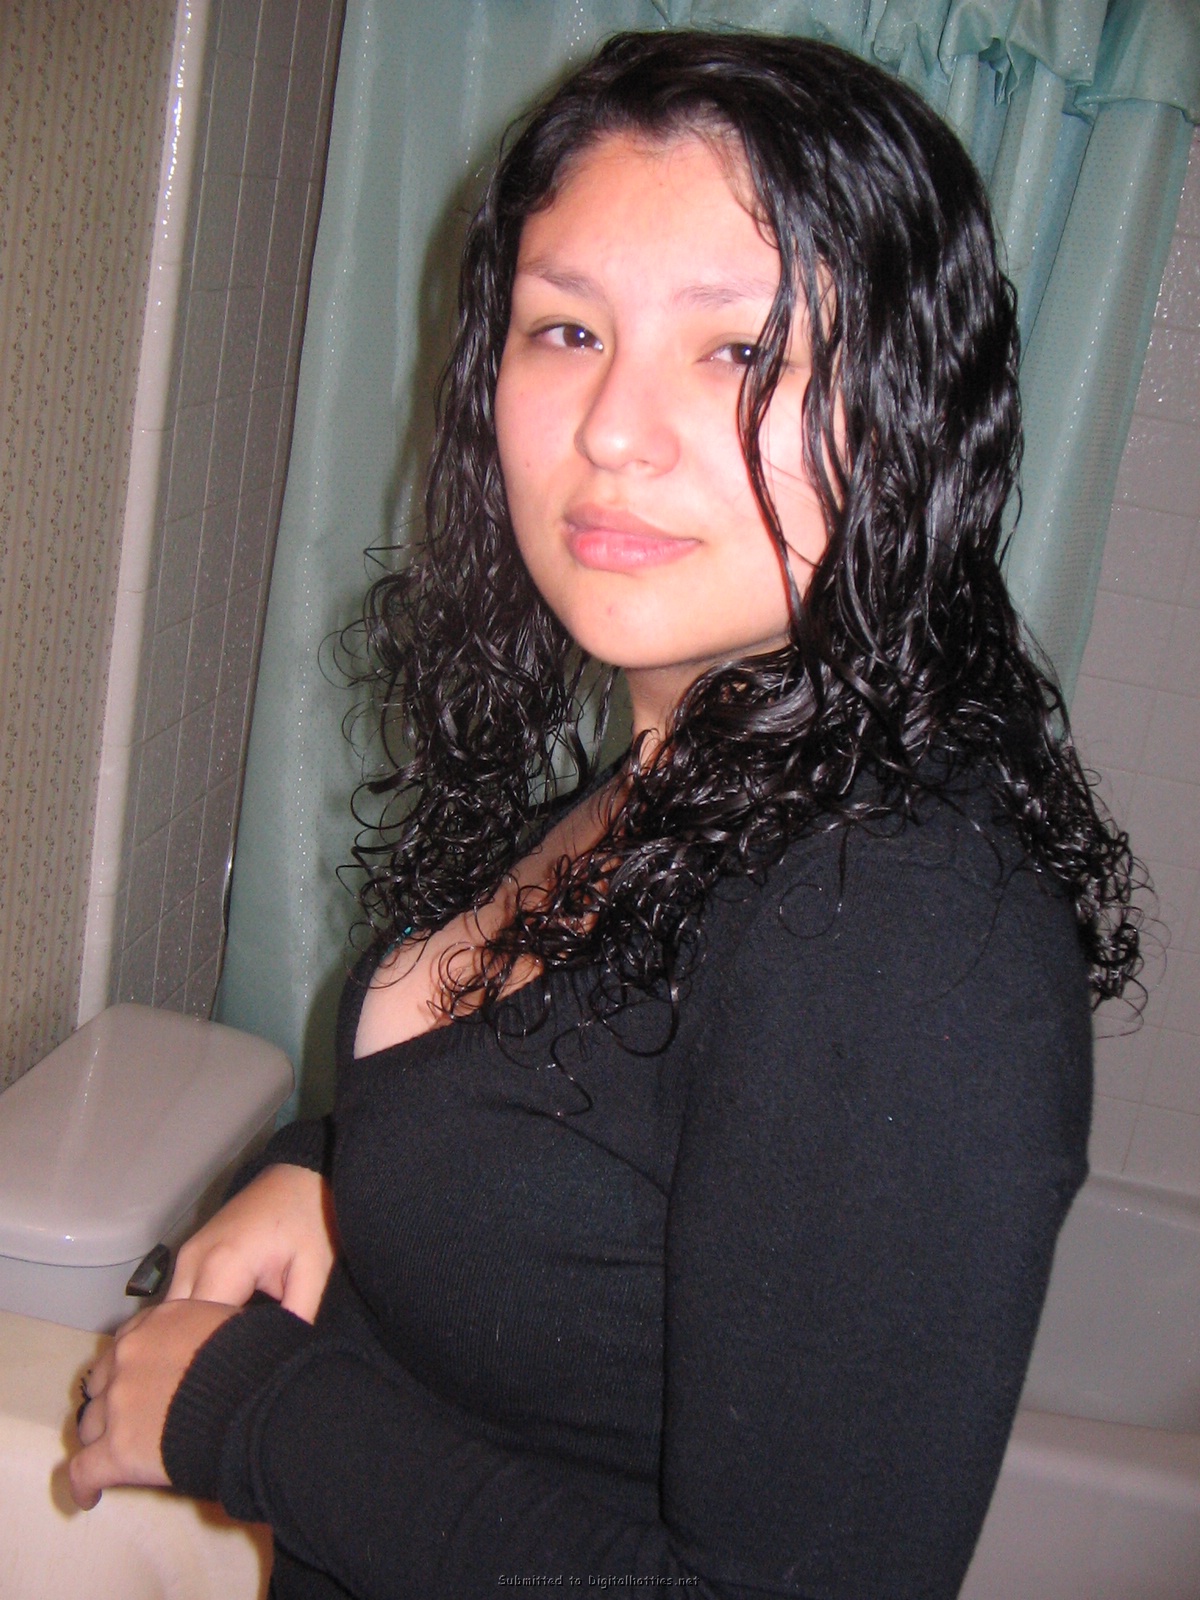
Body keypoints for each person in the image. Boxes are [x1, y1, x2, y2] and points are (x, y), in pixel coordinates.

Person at [68, 30, 1140, 1600]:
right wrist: (332, 1166)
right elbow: (575, 1131)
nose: (613, 430)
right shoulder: (687, 768)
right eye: (566, 329)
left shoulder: (899, 926)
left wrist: (246, 1413)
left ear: (912, 411)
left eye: (743, 351)